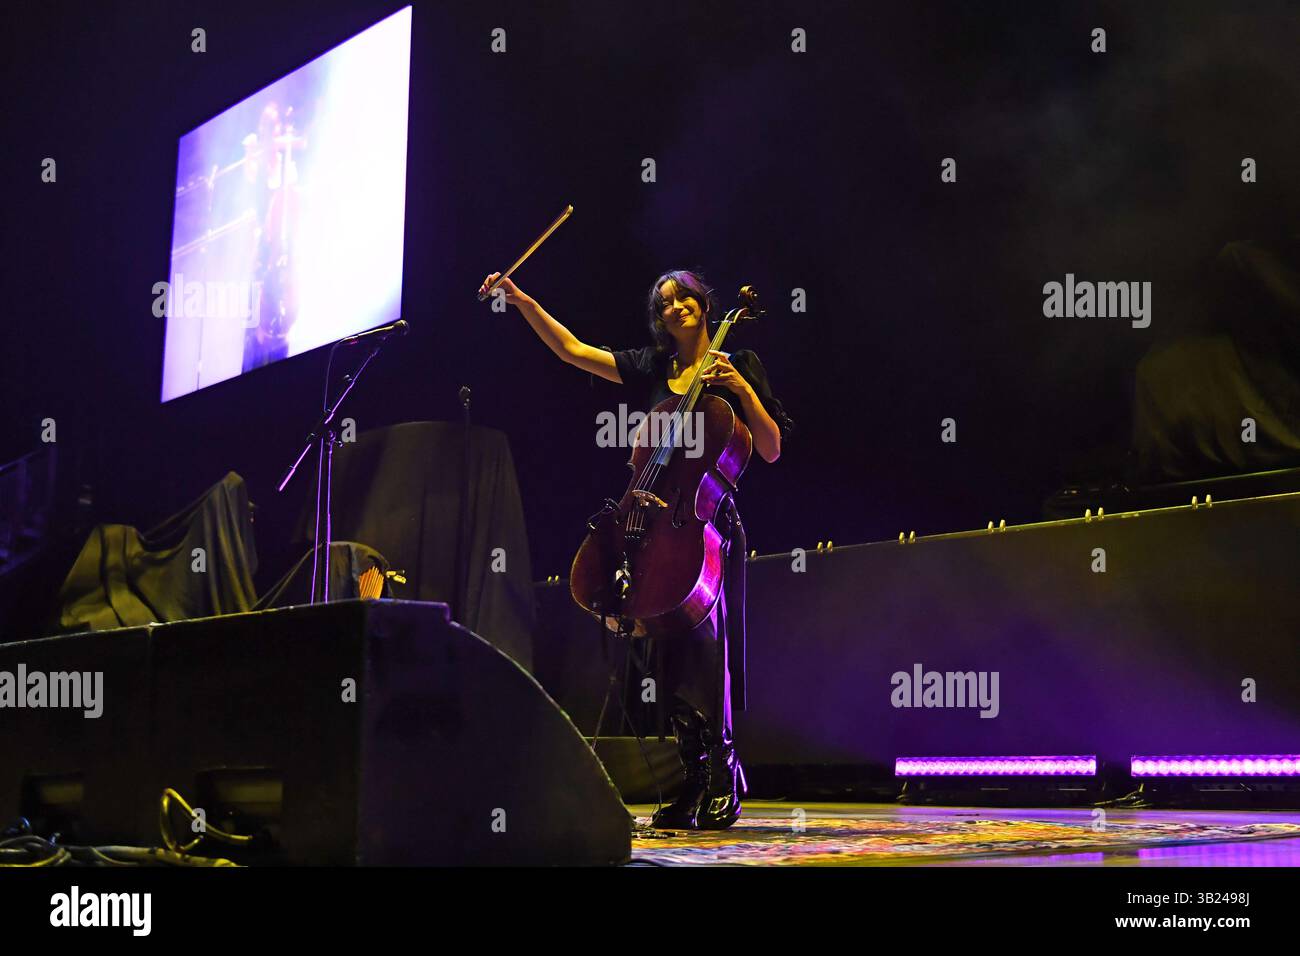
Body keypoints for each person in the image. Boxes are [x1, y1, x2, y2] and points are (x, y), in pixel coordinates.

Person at [478, 268, 792, 829]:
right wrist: (521, 298)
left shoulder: (736, 364)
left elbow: (768, 450)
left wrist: (742, 391)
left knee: (706, 654)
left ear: (703, 303)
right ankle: (691, 777)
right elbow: (572, 350)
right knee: (664, 656)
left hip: (707, 526)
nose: (676, 307)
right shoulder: (654, 367)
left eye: (685, 298)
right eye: (665, 303)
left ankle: (723, 771)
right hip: (652, 531)